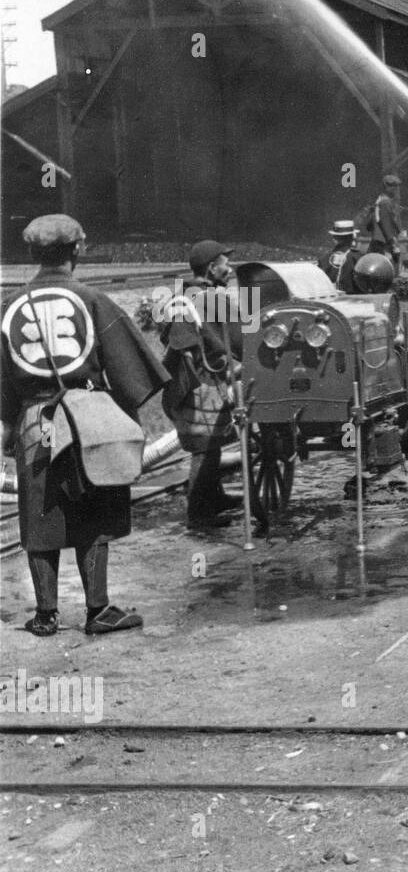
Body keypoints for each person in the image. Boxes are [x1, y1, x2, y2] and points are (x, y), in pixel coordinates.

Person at [1, 214, 169, 636]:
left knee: (38, 511)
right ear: (77, 250)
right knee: (94, 503)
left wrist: (9, 424)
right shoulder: (92, 299)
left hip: (34, 422)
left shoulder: (8, 306)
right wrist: (126, 415)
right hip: (85, 417)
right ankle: (98, 611)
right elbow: (131, 371)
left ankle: (45, 615)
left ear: (32, 253)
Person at [159, 240, 243, 528]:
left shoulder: (180, 295)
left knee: (210, 444)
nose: (229, 268)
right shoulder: (215, 300)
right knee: (205, 448)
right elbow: (239, 338)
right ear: (211, 267)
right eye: (224, 263)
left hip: (182, 382)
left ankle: (215, 496)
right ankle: (198, 514)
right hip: (204, 383)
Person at [366, 173, 403, 273]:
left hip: (379, 242)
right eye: (393, 186)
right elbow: (386, 226)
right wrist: (393, 245)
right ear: (385, 187)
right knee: (390, 272)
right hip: (385, 244)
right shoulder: (385, 203)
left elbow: (369, 225)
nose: (396, 188)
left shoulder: (379, 201)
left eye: (397, 186)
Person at [318, 219, 362, 294]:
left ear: (334, 238)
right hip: (353, 300)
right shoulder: (358, 258)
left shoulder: (324, 259)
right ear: (352, 237)